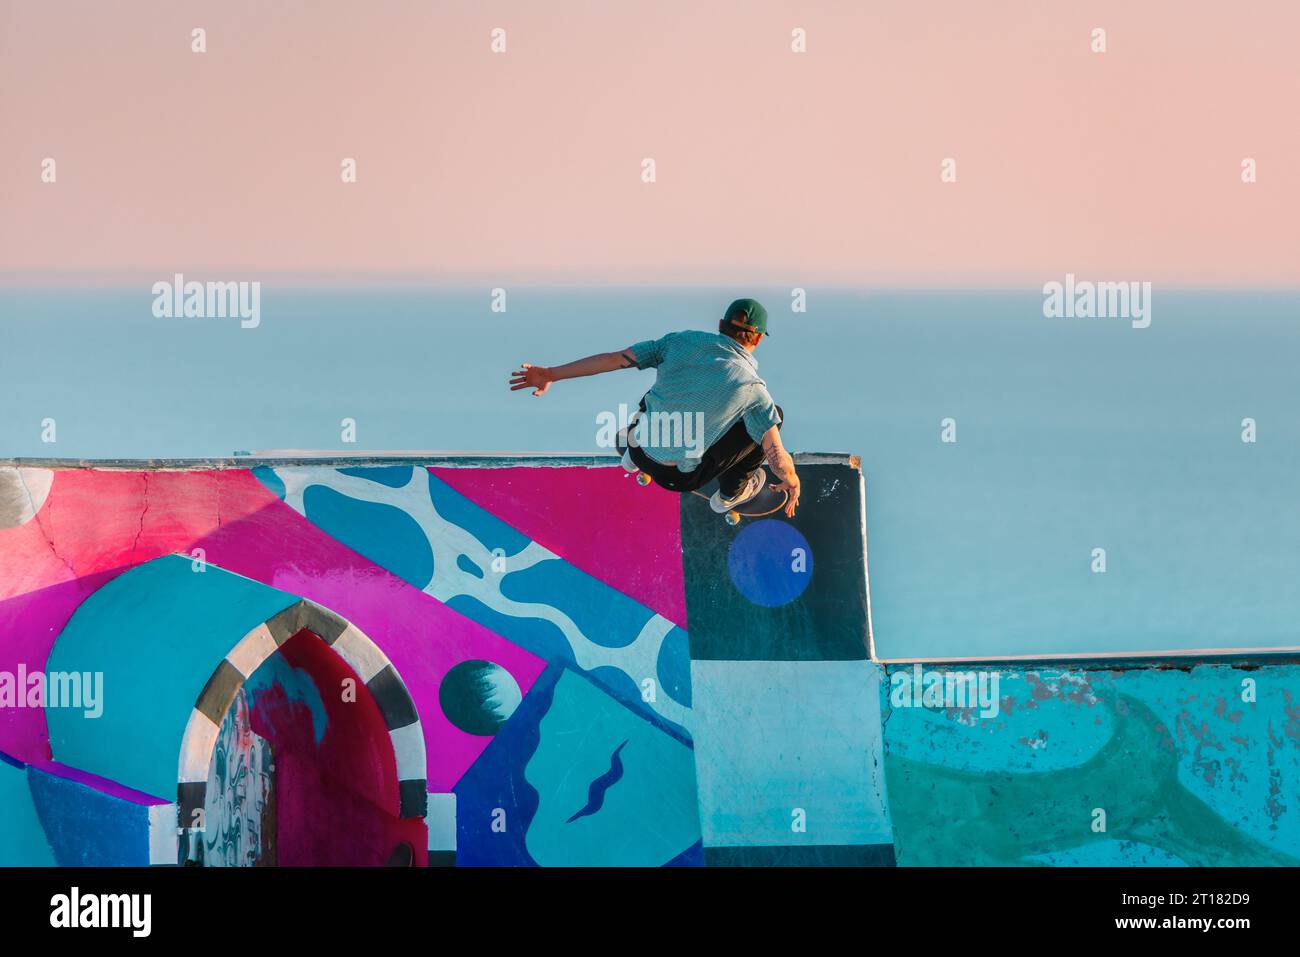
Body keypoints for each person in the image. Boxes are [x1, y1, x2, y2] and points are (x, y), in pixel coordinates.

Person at [508, 298, 800, 517]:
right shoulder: (753, 388)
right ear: (759, 339)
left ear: (721, 326)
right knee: (771, 418)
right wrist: (791, 479)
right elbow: (776, 455)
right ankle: (730, 495)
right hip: (680, 477)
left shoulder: (679, 342)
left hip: (640, 449)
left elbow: (613, 359)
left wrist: (551, 374)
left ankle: (633, 453)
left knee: (675, 381)